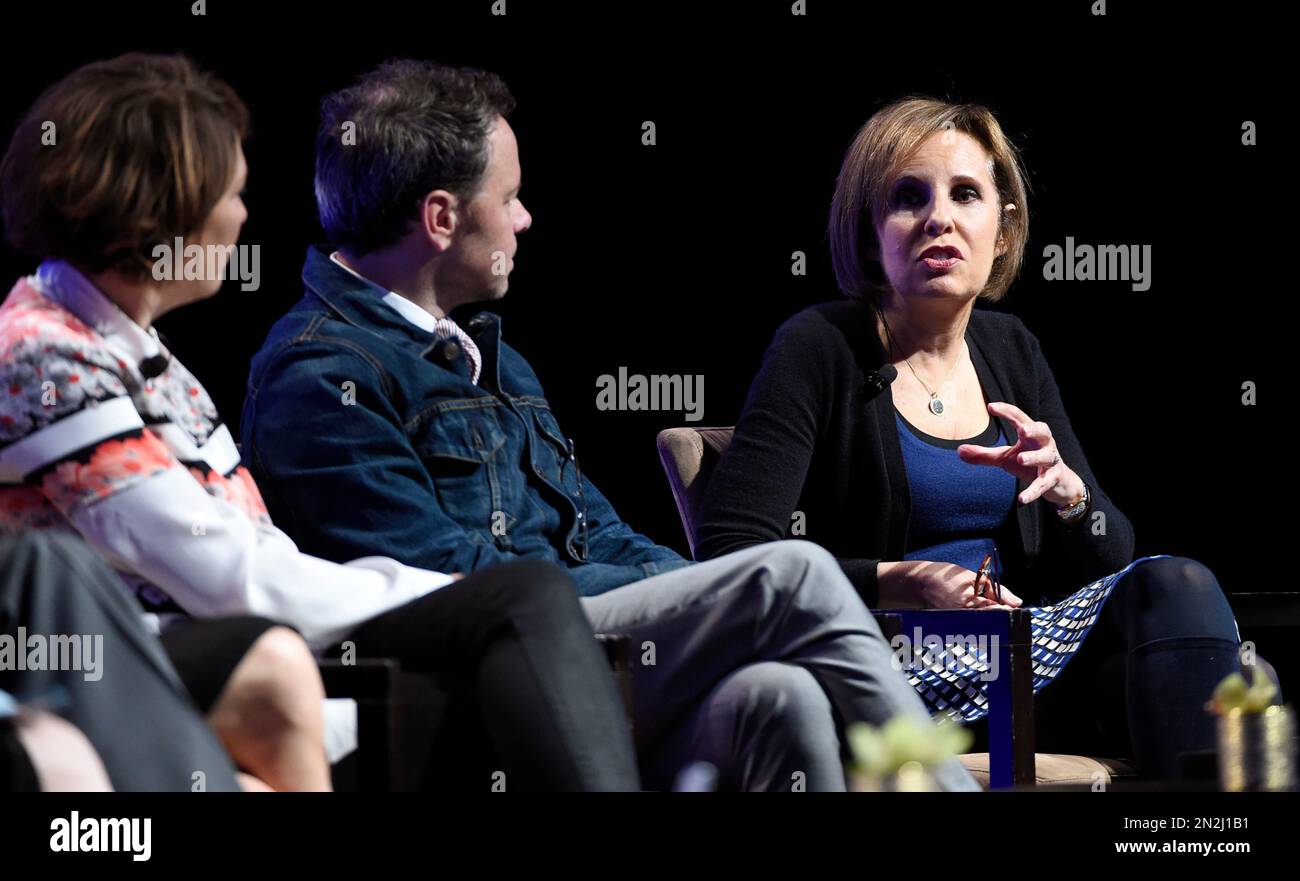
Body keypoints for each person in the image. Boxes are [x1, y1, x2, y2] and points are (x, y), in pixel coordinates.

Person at [241, 60, 980, 792]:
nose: (525, 218)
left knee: (773, 696)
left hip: (588, 649)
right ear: (441, 218)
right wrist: (719, 595)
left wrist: (700, 594)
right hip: (492, 680)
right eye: (511, 197)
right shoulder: (319, 375)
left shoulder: (499, 361)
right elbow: (443, 585)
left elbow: (600, 529)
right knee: (793, 574)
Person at [0, 53, 640, 791]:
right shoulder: (45, 353)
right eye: (232, 193)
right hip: (129, 658)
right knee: (521, 601)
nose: (243, 216)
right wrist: (444, 596)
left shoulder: (147, 357)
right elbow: (223, 573)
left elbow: (250, 548)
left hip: (228, 639)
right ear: (160, 209)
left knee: (502, 642)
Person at [693, 96, 1256, 779]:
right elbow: (733, 555)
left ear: (1002, 229)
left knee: (1194, 616)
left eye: (965, 194)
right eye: (908, 198)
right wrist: (905, 581)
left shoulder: (1011, 348)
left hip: (1017, 656)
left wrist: (1070, 497)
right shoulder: (819, 347)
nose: (939, 218)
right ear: (870, 232)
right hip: (887, 659)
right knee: (1226, 693)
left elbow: (1109, 559)